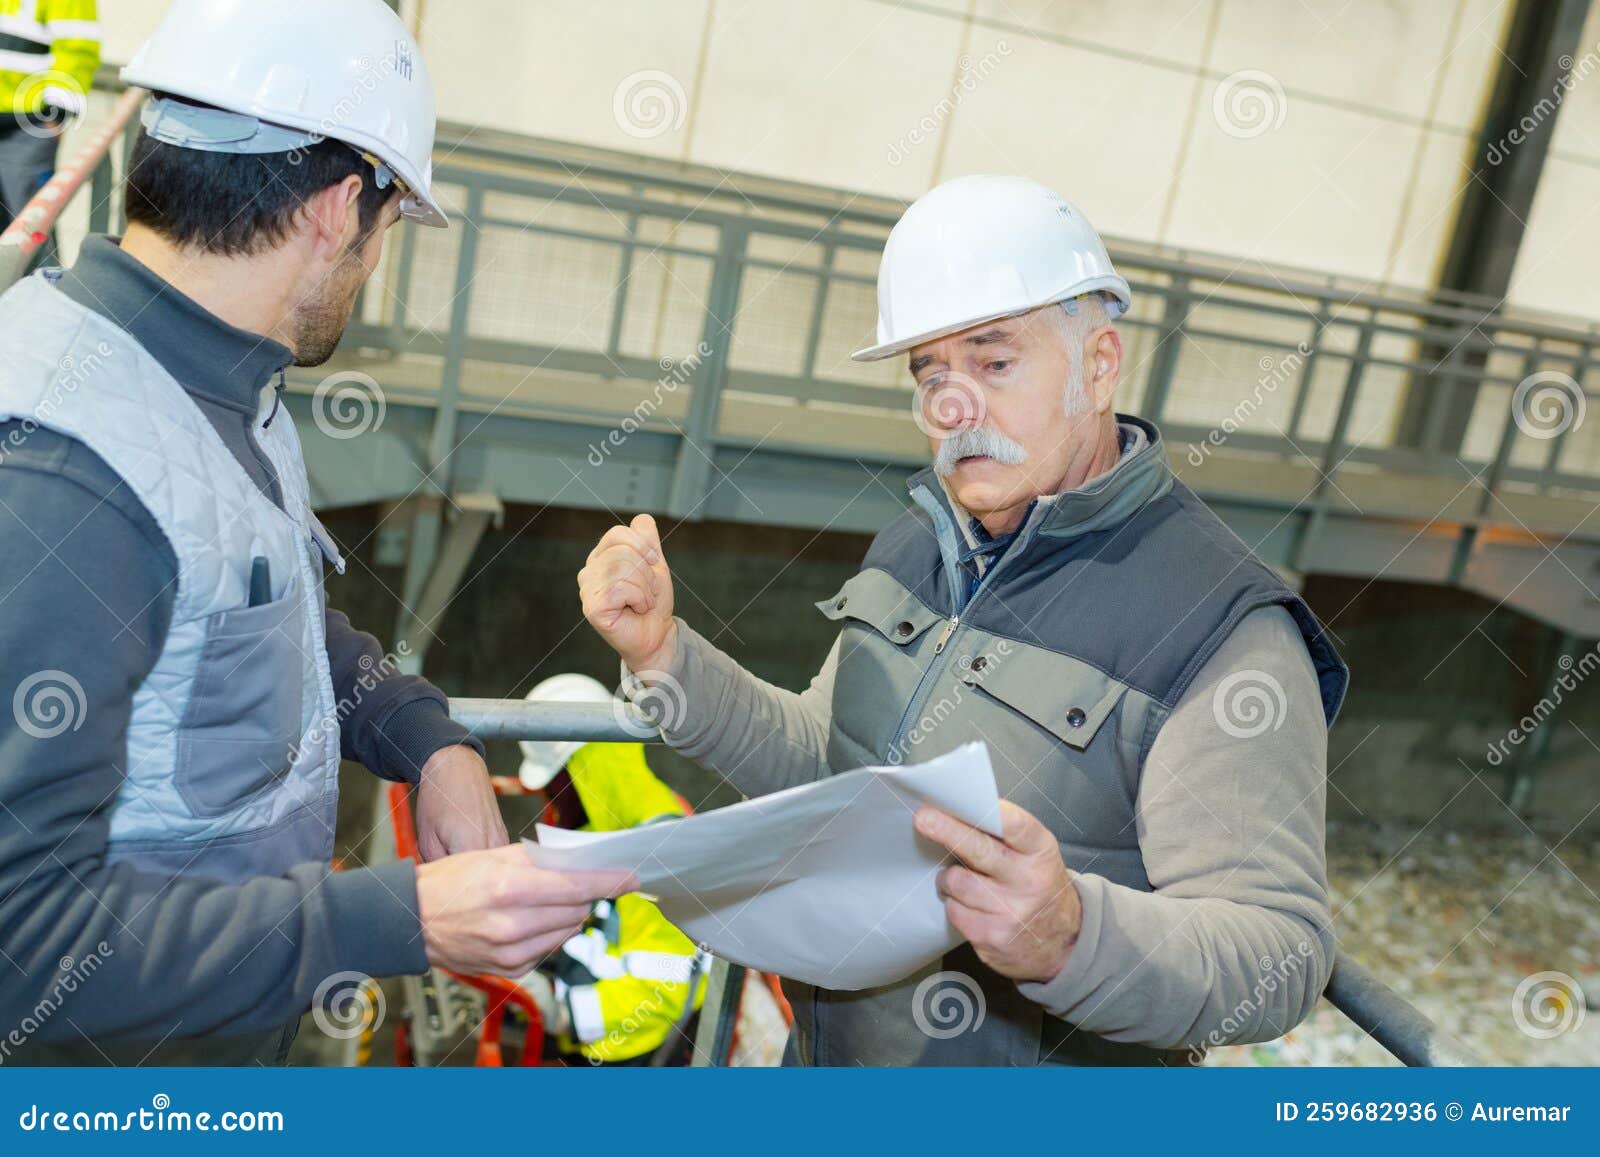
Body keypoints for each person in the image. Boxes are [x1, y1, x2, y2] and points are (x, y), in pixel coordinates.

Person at [579, 174, 1350, 1066]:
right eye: (931, 373)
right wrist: (667, 656)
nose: (954, 408)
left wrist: (1072, 934)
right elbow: (823, 763)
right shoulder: (916, 547)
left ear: (1100, 363)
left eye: (994, 363)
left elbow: (1280, 952)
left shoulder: (1220, 626)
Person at [0, 0, 629, 1066]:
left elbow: (258, 618)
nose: (374, 258)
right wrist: (394, 918)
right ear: (340, 209)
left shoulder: (218, 385)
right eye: (388, 227)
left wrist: (424, 736)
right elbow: (21, 945)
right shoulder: (65, 468)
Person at [513, 675, 708, 1066]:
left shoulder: (655, 850)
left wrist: (563, 1013)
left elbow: (666, 991)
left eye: (554, 783)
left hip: (635, 1053)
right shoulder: (627, 823)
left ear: (585, 773)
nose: (548, 796)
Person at [0, 0, 99, 269]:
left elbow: (78, 48)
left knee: (30, 225)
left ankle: (38, 300)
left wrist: (57, 114)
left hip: (28, 123)